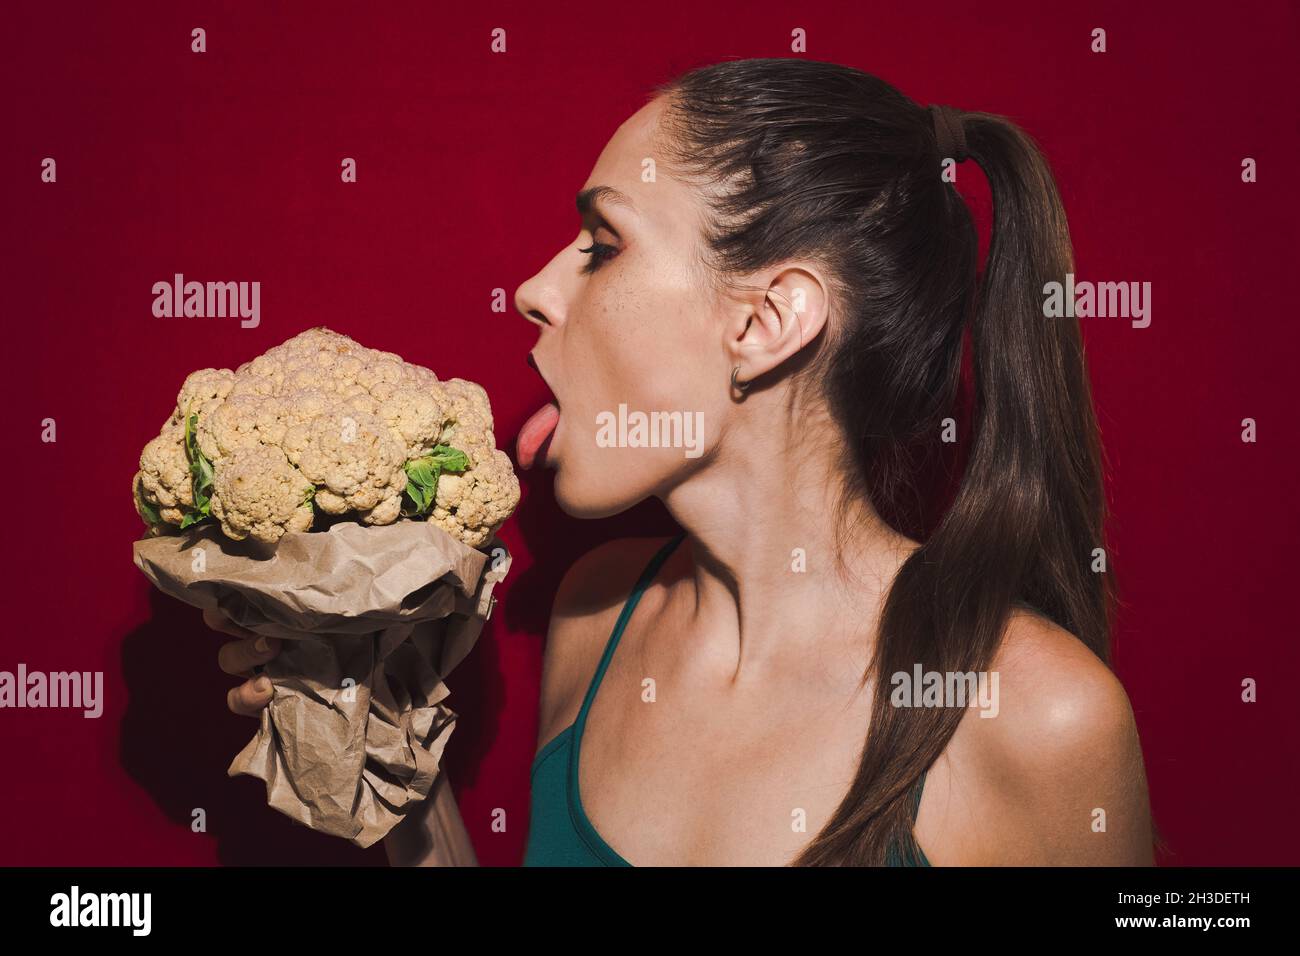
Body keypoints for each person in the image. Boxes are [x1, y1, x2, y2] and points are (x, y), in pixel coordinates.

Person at [213, 57, 1153, 866]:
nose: (535, 290)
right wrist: (390, 740)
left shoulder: (1039, 719)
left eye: (603, 245)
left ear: (763, 323)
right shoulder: (596, 616)